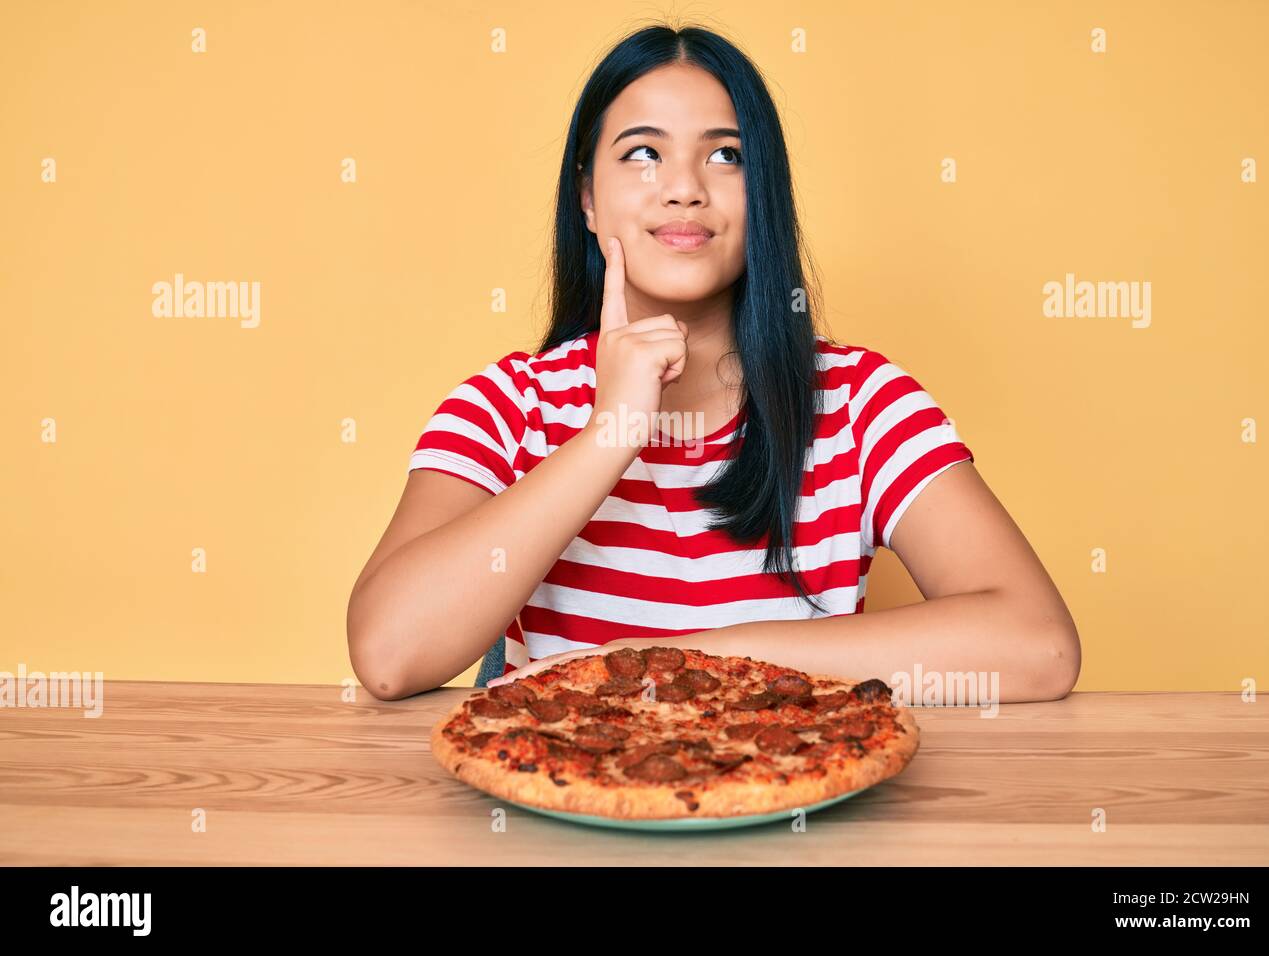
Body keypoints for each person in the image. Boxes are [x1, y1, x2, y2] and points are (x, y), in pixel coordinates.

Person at [346, 23, 1080, 703]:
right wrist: (610, 433)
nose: (685, 187)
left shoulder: (860, 402)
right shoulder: (508, 405)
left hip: (800, 821)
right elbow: (388, 653)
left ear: (763, 195)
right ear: (587, 199)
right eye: (642, 152)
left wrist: (679, 659)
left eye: (726, 155)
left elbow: (1037, 646)